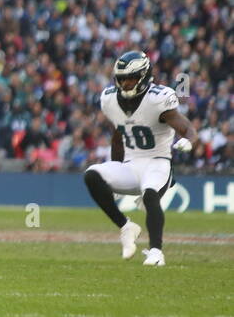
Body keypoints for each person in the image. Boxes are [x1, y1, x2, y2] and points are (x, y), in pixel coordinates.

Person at [83, 50, 199, 267]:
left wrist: (189, 141)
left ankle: (156, 252)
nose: (126, 83)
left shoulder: (158, 99)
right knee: (92, 175)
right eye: (122, 79)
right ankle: (126, 226)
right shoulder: (109, 100)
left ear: (144, 76)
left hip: (158, 161)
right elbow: (118, 138)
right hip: (131, 164)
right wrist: (116, 169)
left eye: (131, 78)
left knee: (150, 194)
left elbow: (187, 128)